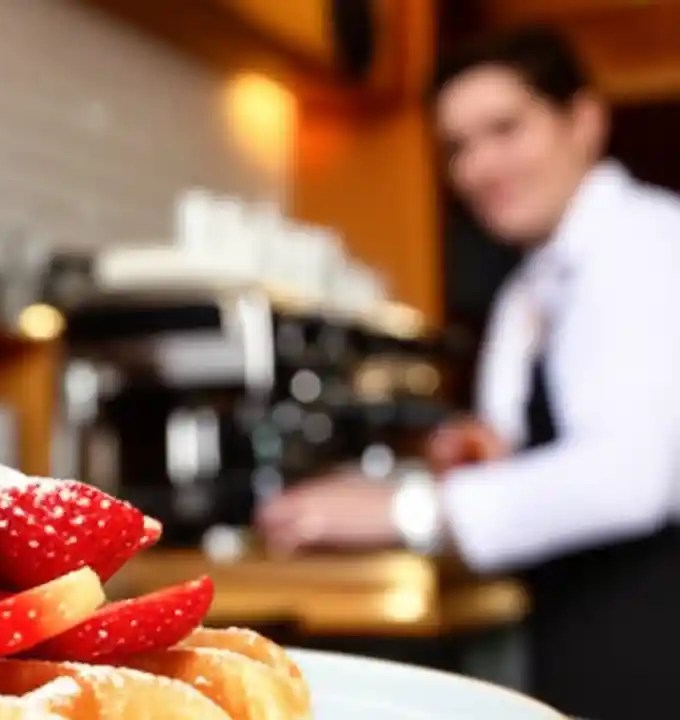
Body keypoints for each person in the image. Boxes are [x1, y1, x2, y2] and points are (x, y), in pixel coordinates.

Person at [256, 27, 680, 719]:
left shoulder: (646, 245)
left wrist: (403, 510)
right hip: (584, 621)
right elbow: (531, 440)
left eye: (505, 129)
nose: (480, 166)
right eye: (458, 147)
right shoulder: (529, 288)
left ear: (584, 120)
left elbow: (630, 479)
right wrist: (485, 451)